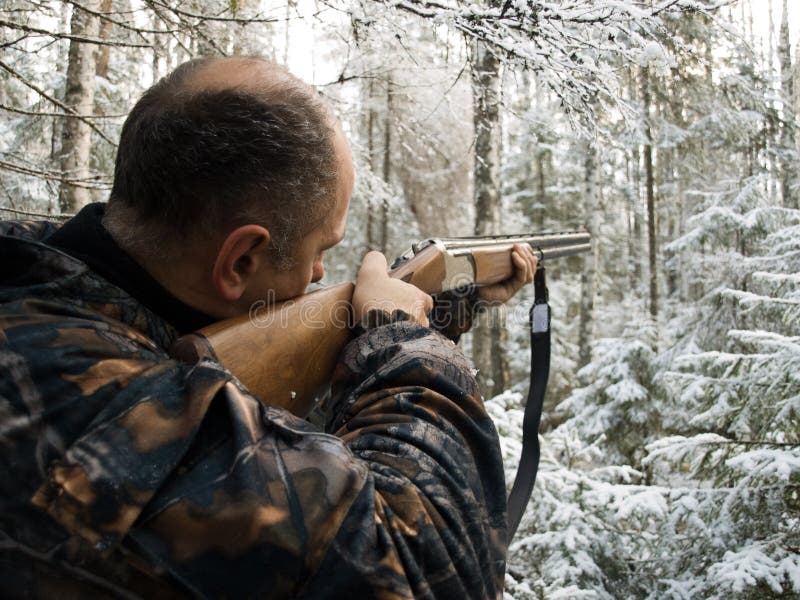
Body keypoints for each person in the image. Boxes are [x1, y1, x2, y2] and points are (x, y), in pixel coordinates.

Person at [0, 56, 537, 598]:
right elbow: (430, 566)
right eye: (320, 250)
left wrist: (440, 312)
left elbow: (282, 440)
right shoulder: (108, 406)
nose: (322, 275)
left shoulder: (49, 292)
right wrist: (401, 337)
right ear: (239, 261)